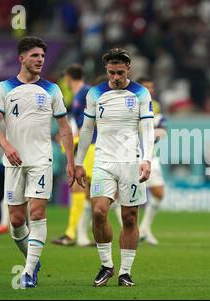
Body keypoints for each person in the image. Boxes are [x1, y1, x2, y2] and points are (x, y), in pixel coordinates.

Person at [0, 36, 75, 288]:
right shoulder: (4, 87)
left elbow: (64, 128)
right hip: (13, 161)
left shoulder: (52, 89)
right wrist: (7, 146)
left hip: (41, 160)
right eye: (35, 56)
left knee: (37, 213)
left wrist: (70, 161)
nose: (40, 60)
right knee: (16, 221)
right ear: (22, 58)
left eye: (43, 56)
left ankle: (27, 274)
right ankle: (32, 261)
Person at [75, 48, 154, 287]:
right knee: (99, 211)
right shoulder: (95, 93)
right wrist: (78, 162)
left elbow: (147, 128)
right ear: (106, 71)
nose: (116, 77)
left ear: (128, 69)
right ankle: (106, 265)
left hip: (131, 162)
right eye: (112, 73)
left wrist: (147, 159)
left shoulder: (141, 93)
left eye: (120, 72)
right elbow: (87, 129)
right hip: (103, 162)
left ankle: (125, 272)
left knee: (129, 218)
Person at [52, 63, 94, 247]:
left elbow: (94, 118)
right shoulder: (79, 94)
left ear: (68, 77)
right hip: (88, 145)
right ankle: (82, 236)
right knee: (87, 193)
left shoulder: (86, 92)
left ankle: (71, 234)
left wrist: (78, 135)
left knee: (80, 189)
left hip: (90, 146)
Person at [137, 77, 167, 245]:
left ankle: (144, 229)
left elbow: (160, 128)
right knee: (119, 196)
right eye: (146, 87)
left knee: (159, 193)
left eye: (151, 87)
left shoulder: (155, 106)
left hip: (151, 156)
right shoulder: (132, 102)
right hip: (132, 156)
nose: (149, 90)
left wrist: (158, 130)